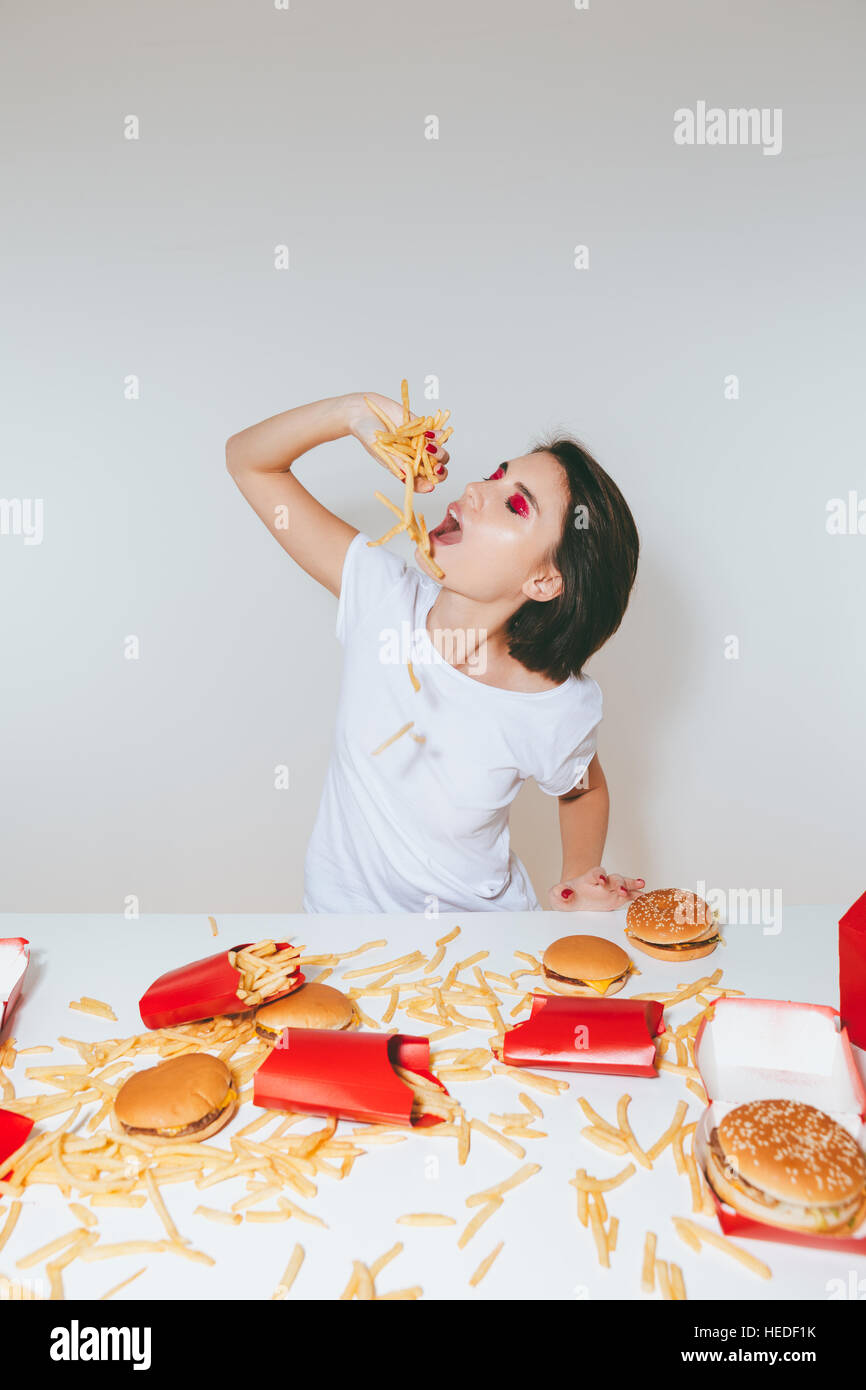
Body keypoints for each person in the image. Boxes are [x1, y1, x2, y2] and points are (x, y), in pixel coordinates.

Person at [226, 390, 645, 914]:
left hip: (484, 952)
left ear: (545, 580)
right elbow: (249, 462)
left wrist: (579, 876)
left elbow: (581, 786)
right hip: (341, 945)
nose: (474, 489)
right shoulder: (379, 594)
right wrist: (354, 413)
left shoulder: (551, 705)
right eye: (495, 475)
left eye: (515, 505)